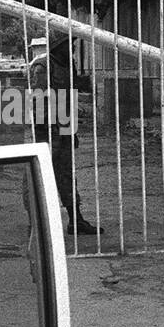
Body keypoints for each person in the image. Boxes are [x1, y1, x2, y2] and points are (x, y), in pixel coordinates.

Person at [29, 31, 102, 235]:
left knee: (67, 174)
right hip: (48, 130)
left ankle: (75, 220)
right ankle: (37, 223)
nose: (71, 48)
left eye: (71, 44)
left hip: (65, 126)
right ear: (55, 46)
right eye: (67, 44)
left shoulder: (68, 64)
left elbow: (68, 95)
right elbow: (39, 102)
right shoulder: (43, 66)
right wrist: (52, 134)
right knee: (42, 175)